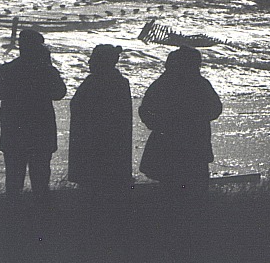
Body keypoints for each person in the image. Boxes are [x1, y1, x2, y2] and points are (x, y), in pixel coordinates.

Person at [0, 28, 67, 198]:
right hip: (40, 131)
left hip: (14, 131)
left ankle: (13, 216)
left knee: (13, 179)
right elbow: (59, 93)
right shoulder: (46, 70)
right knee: (40, 180)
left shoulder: (8, 69)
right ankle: (40, 216)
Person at [138, 46, 222, 193]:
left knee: (171, 189)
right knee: (194, 191)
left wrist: (157, 124)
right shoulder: (200, 84)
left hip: (170, 145)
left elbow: (145, 110)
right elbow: (215, 109)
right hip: (194, 144)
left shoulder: (164, 83)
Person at [68, 44, 134, 194]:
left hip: (95, 141)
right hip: (112, 144)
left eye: (93, 58)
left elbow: (79, 106)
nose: (89, 62)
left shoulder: (94, 82)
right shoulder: (120, 82)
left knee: (96, 185)